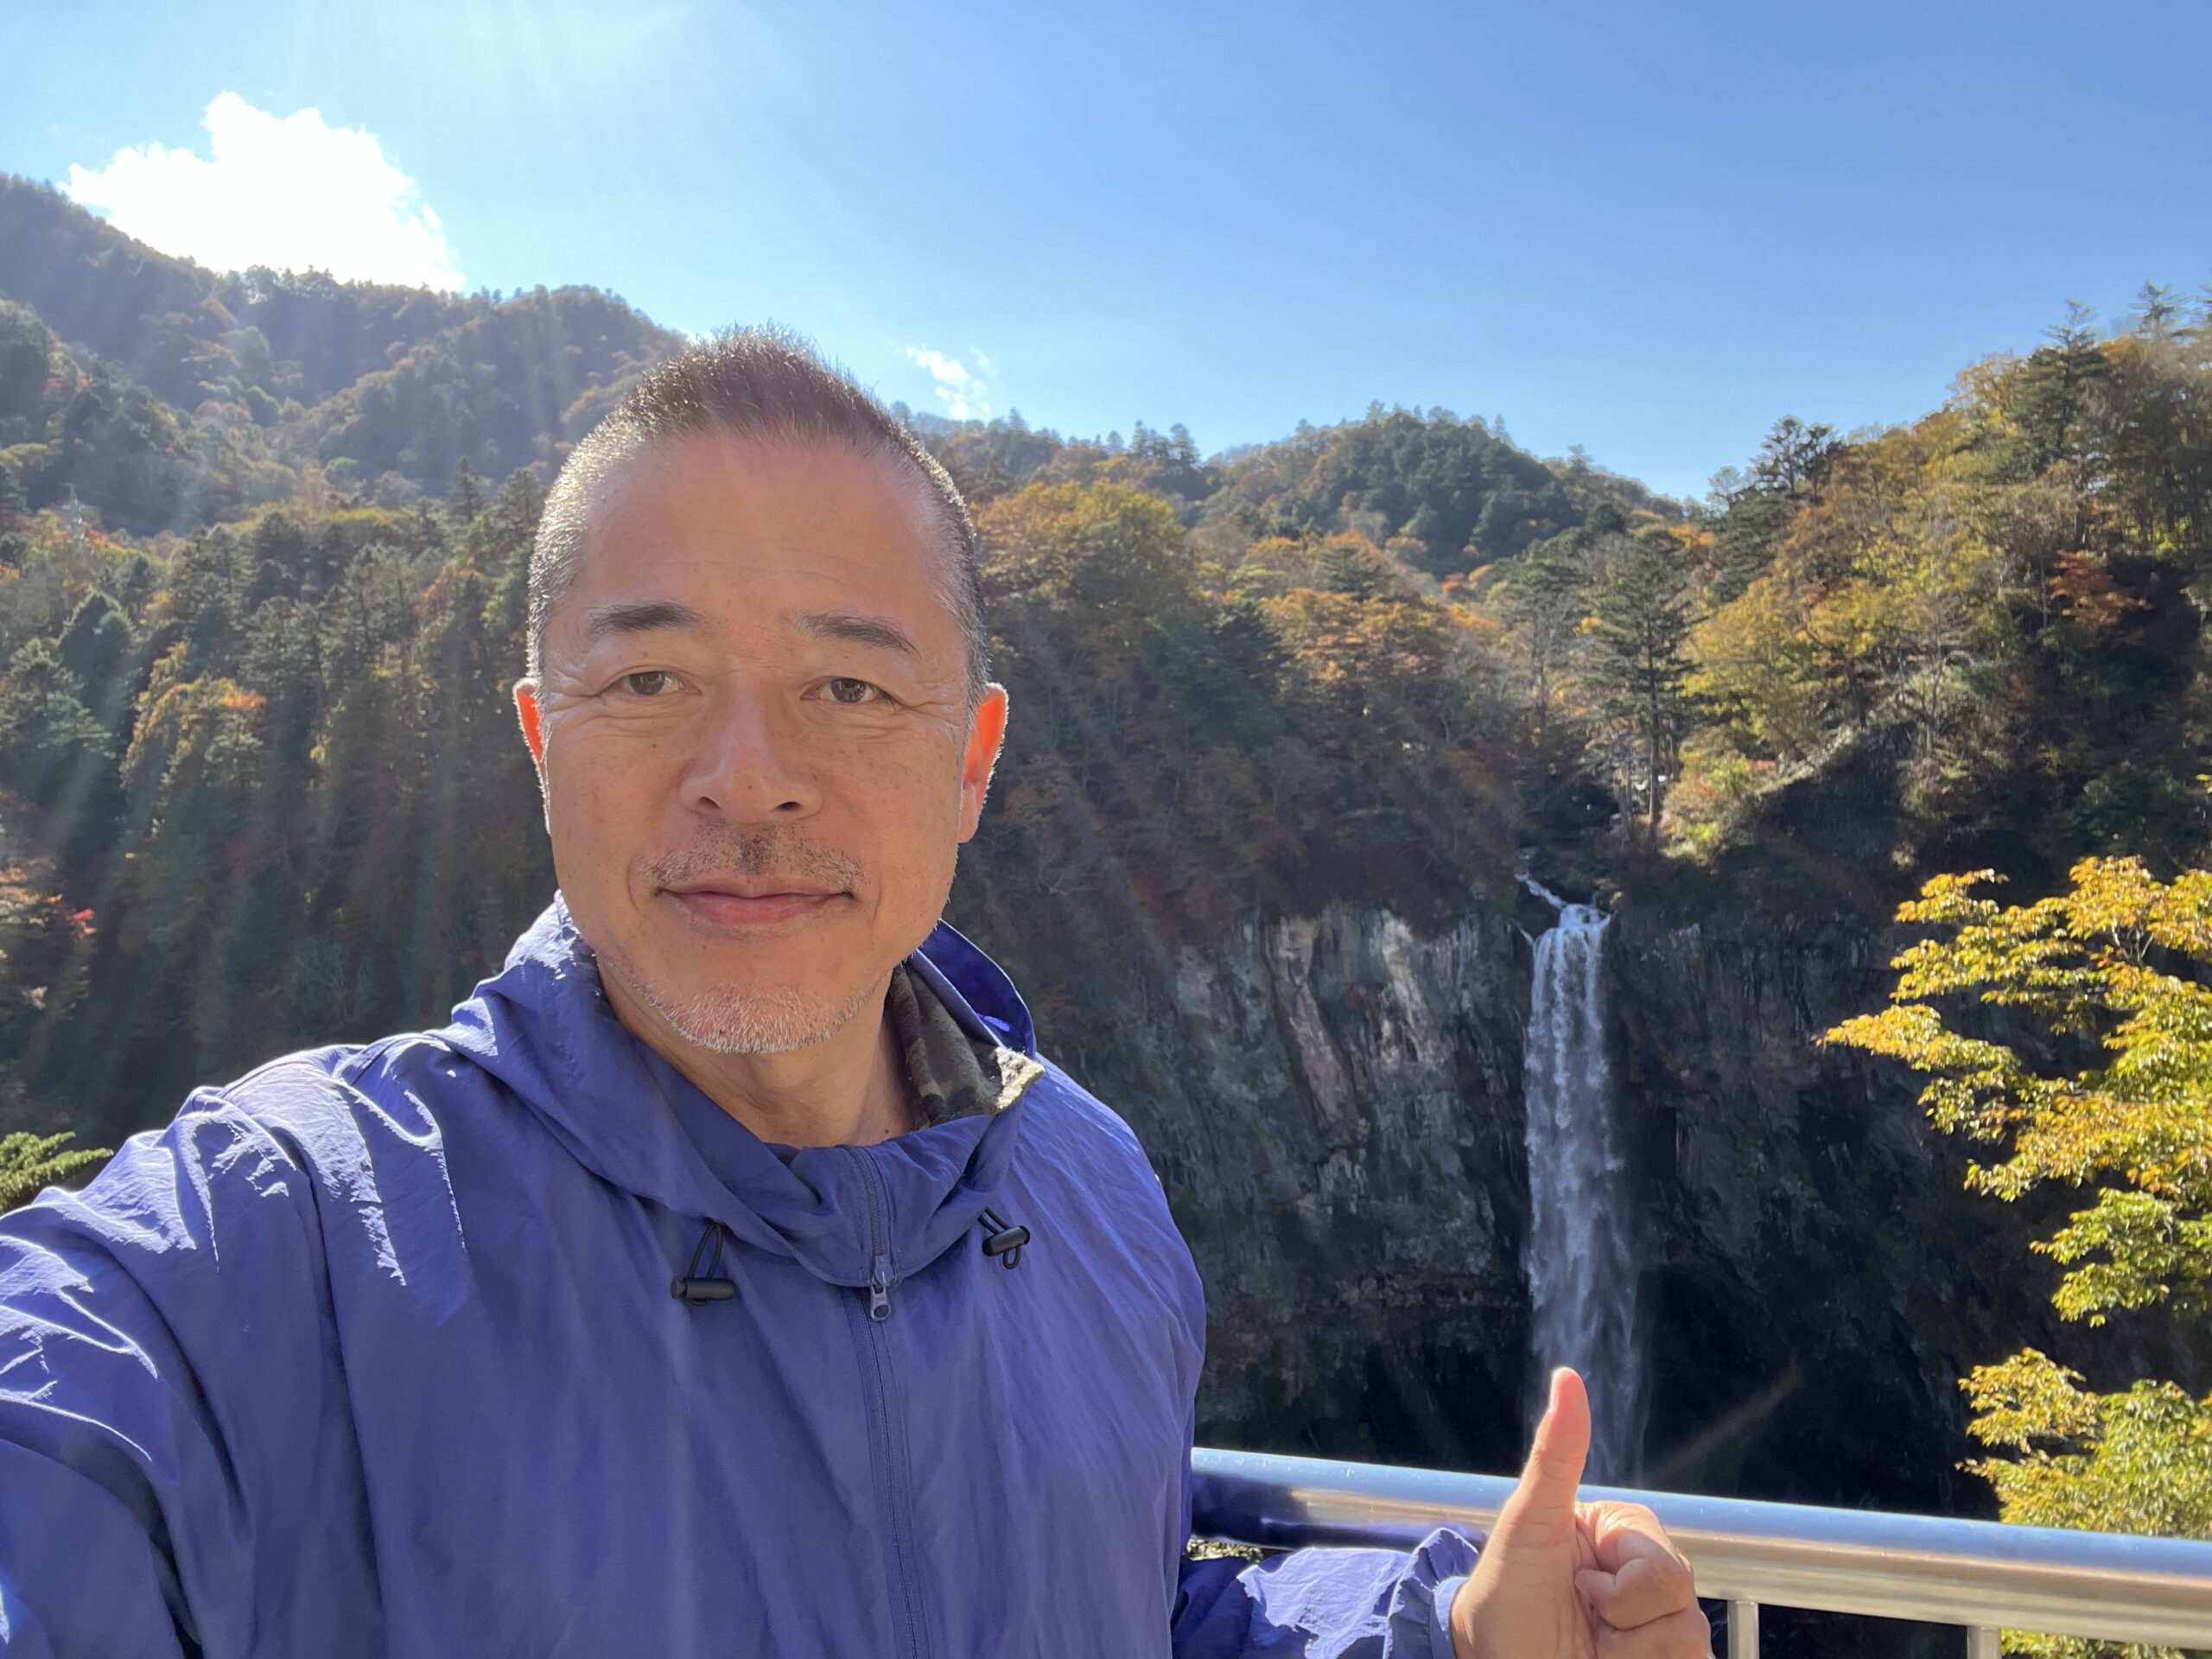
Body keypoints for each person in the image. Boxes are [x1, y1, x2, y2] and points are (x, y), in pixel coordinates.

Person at [0, 330, 1707, 1659]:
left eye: (848, 686)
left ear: (971, 761)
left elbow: (1131, 1616)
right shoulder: (300, 1239)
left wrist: (1443, 1631)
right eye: (651, 676)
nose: (749, 779)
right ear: (543, 739)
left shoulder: (1091, 1191)